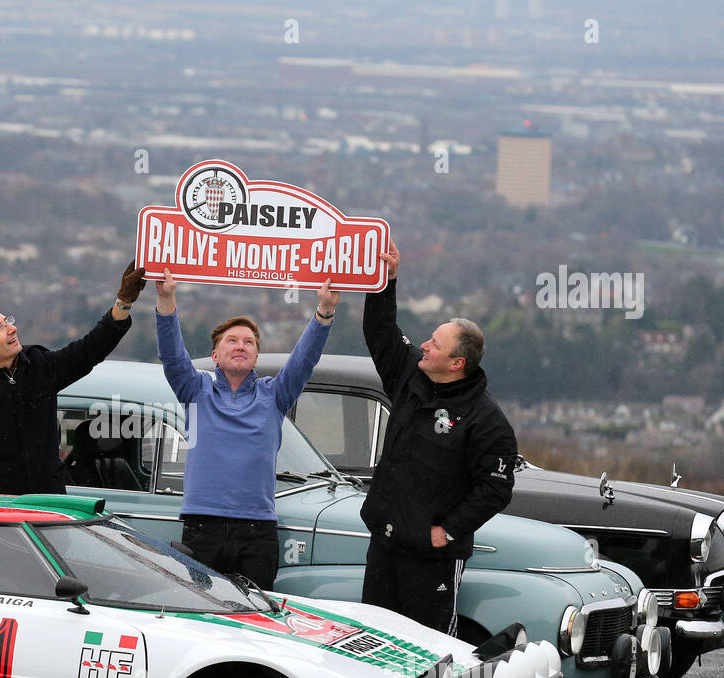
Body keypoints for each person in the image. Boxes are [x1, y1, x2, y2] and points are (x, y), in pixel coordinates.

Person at [360, 241, 517, 636]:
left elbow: (495, 489)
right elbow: (379, 332)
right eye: (428, 339)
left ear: (457, 363)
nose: (424, 346)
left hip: (432, 559)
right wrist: (386, 280)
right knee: (374, 643)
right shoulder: (411, 374)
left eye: (434, 344)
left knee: (425, 650)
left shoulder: (487, 421)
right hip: (385, 541)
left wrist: (447, 531)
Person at [155, 268, 338, 588]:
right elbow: (172, 357)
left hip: (257, 531)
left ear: (256, 356)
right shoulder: (196, 391)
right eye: (231, 340)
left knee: (255, 622)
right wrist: (167, 300)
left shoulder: (274, 395)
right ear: (215, 354)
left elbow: (303, 361)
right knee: (200, 618)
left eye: (249, 342)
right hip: (202, 527)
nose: (241, 345)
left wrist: (324, 312)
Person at [0, 262, 147, 495]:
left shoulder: (37, 365)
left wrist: (123, 302)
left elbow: (88, 351)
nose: (11, 329)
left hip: (47, 509)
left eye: (7, 321)